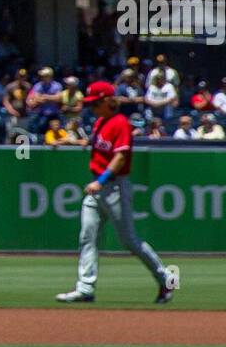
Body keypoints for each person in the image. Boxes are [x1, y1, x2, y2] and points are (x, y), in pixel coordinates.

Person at [55, 81, 175, 305]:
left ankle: (166, 278)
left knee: (129, 240)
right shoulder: (101, 121)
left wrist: (101, 181)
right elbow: (96, 145)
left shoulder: (120, 123)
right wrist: (71, 142)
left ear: (108, 102)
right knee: (87, 237)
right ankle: (85, 288)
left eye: (96, 103)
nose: (92, 108)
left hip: (114, 186)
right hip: (97, 187)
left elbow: (120, 158)